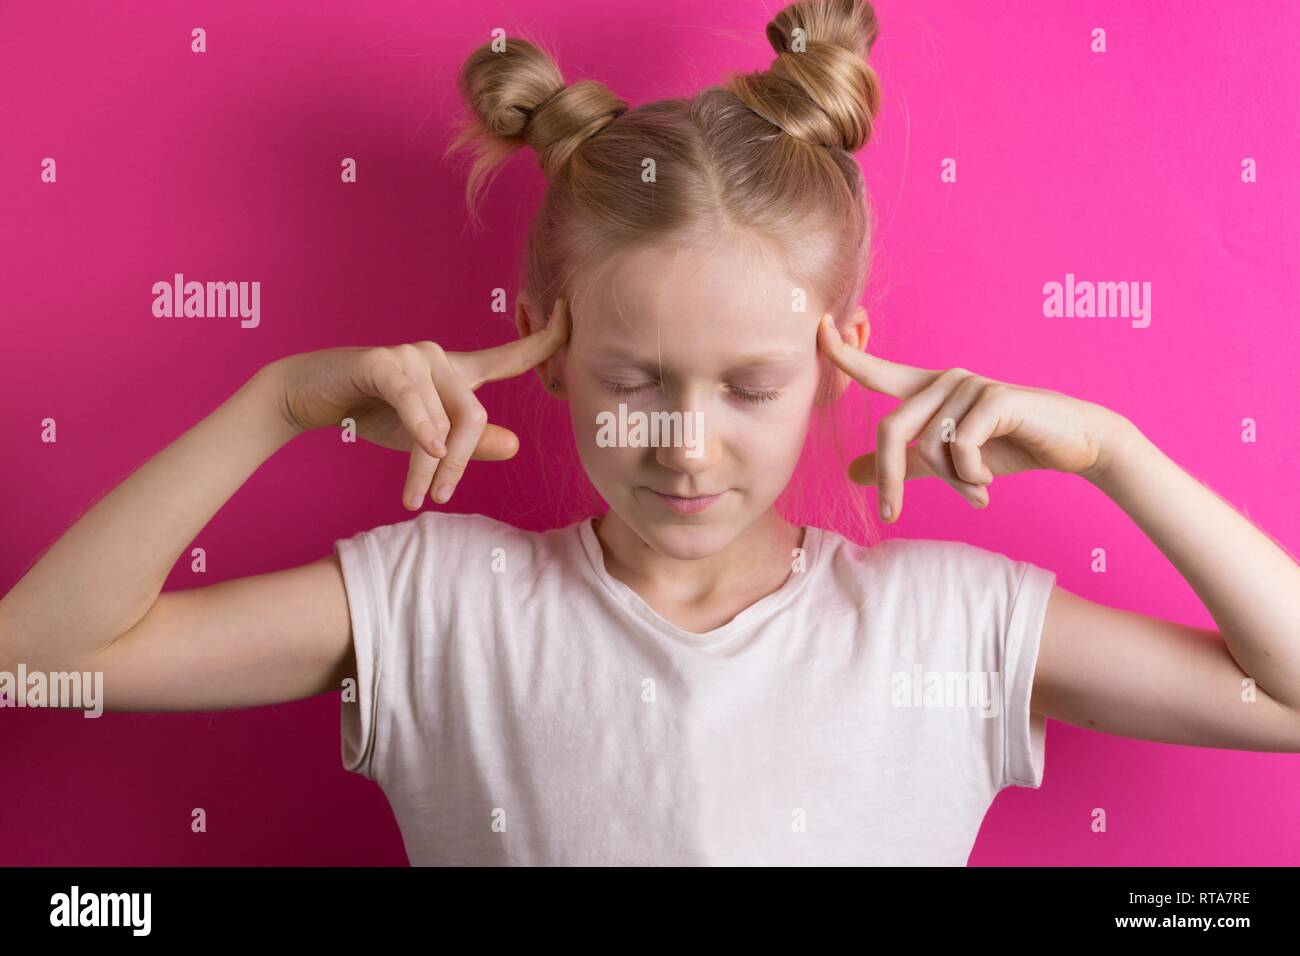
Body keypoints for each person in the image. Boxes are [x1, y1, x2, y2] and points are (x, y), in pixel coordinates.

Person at [3, 0, 1298, 865]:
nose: (685, 442)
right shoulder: (436, 604)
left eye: (749, 386)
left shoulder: (948, 630)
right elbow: (31, 663)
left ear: (836, 349)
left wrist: (1119, 454)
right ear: (549, 344)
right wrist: (274, 405)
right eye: (636, 375)